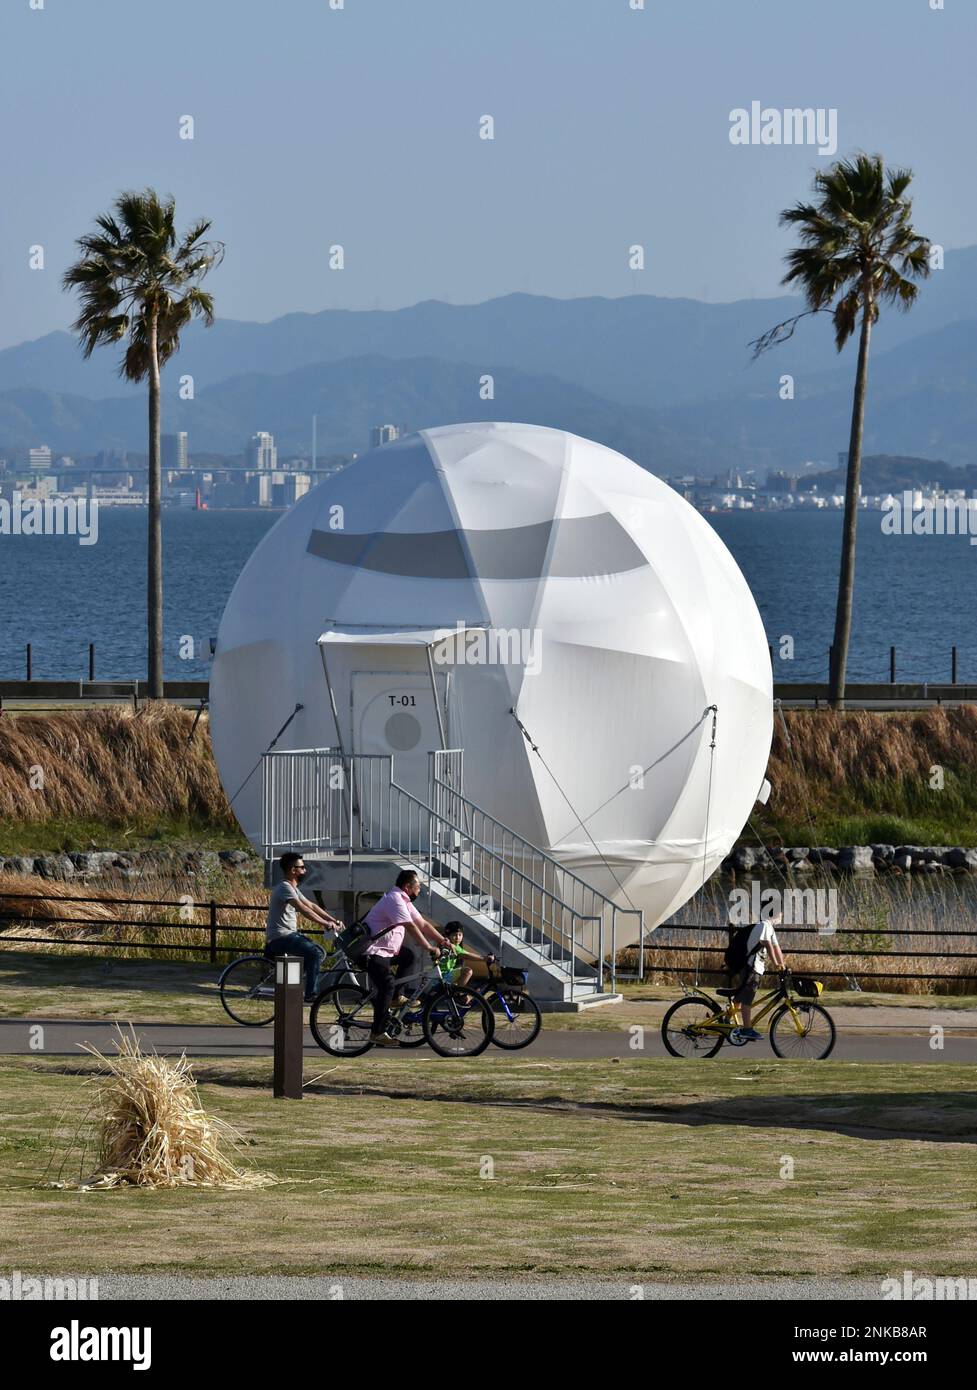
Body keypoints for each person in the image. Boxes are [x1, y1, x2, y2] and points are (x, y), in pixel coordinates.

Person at [363, 869, 448, 1046]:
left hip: (385, 951)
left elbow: (422, 924)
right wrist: (429, 947)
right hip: (372, 951)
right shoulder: (394, 899)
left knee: (408, 956)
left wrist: (443, 941)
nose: (420, 891)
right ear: (408, 887)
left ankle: (396, 997)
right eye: (418, 887)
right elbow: (410, 926)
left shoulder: (404, 900)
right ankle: (377, 1032)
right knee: (387, 984)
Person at [264, 851, 344, 1003]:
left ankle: (297, 980)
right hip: (281, 937)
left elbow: (311, 905)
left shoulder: (293, 888)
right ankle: (310, 994)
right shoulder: (285, 887)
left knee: (320, 952)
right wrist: (325, 924)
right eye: (302, 867)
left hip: (288, 935)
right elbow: (303, 908)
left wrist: (333, 920)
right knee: (314, 953)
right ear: (293, 870)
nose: (305, 870)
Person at [733, 909, 786, 1040]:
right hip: (751, 967)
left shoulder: (770, 928)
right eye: (781, 912)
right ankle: (746, 1029)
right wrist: (776, 963)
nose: (782, 915)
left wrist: (783, 965)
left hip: (754, 967)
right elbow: (767, 944)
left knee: (740, 997)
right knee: (747, 997)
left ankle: (727, 1020)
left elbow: (776, 948)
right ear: (774, 913)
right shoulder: (764, 925)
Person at [437, 921, 494, 991]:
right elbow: (466, 955)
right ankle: (458, 993)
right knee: (467, 971)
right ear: (448, 936)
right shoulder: (450, 945)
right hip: (442, 976)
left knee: (466, 999)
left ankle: (460, 993)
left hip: (447, 974)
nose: (457, 938)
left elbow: (466, 954)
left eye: (460, 935)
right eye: (454, 935)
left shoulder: (455, 945)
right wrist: (485, 958)